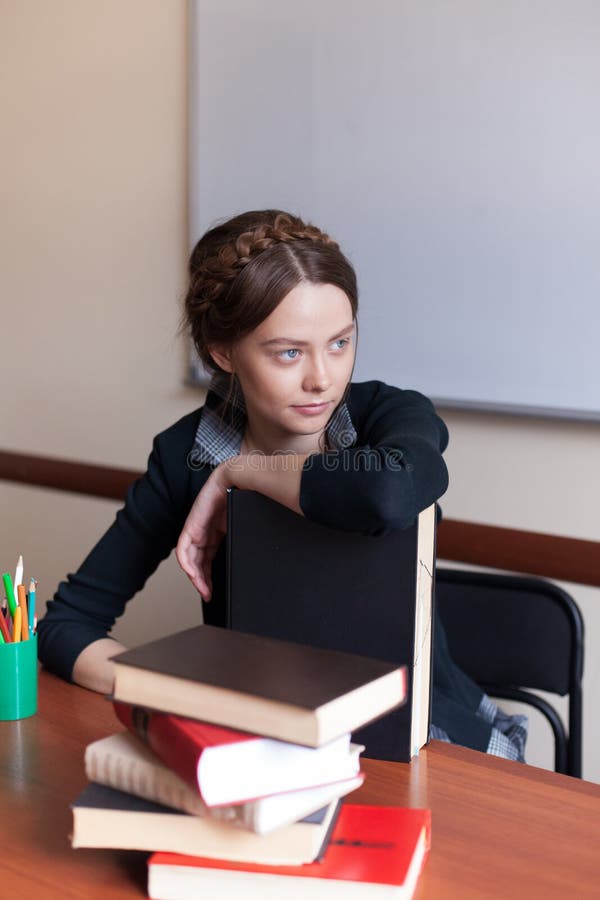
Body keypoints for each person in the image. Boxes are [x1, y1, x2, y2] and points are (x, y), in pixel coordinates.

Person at [38, 209, 527, 761]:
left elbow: (387, 494)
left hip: (422, 736)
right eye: (290, 352)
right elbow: (66, 626)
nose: (323, 378)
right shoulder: (184, 455)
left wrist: (241, 472)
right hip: (267, 747)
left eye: (340, 343)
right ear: (223, 352)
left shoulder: (388, 416)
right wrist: (179, 694)